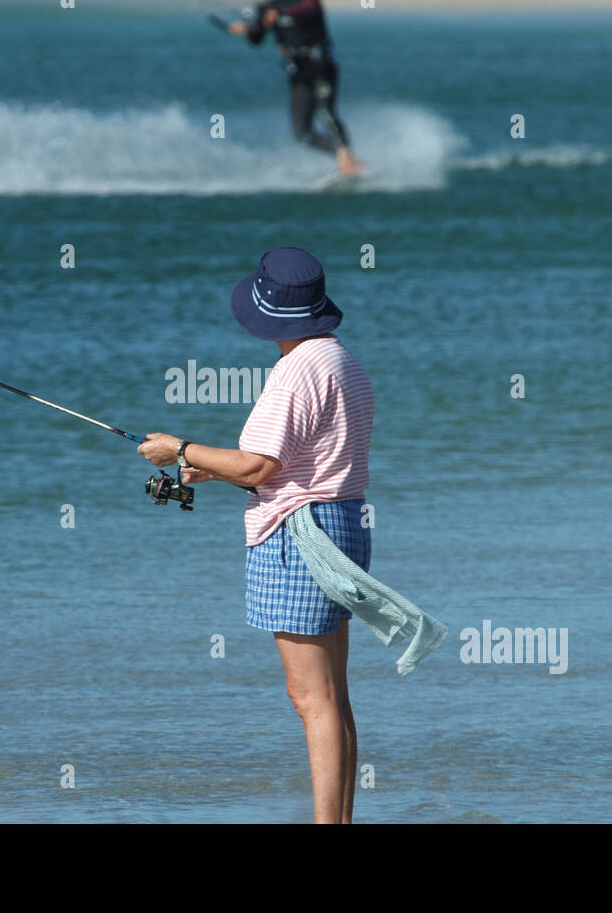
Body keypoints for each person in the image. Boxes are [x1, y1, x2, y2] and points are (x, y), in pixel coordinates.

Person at [137, 247, 374, 823]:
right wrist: (209, 469)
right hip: (340, 525)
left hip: (299, 537)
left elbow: (259, 468)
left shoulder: (295, 371)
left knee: (309, 697)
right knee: (333, 696)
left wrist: (181, 450)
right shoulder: (340, 360)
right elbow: (307, 461)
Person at [226, 0, 366, 177]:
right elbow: (257, 37)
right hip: (298, 72)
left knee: (326, 109)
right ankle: (345, 157)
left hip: (321, 65)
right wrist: (246, 30)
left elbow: (305, 11)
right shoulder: (267, 6)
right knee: (301, 132)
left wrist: (281, 14)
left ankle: (345, 158)